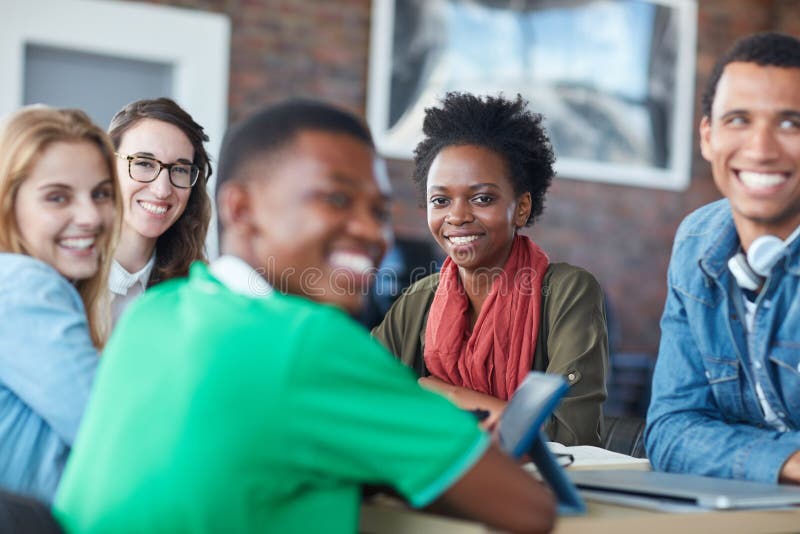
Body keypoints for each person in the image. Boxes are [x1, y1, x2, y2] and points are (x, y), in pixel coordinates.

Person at [54, 100, 556, 533]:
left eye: (379, 210)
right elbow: (529, 509)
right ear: (242, 209)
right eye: (336, 199)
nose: (370, 231)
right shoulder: (310, 342)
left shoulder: (155, 312)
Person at [372, 92, 608, 445]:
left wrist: (437, 392)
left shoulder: (567, 292)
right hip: (431, 486)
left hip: (537, 493)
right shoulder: (418, 300)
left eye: (482, 198)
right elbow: (362, 404)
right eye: (440, 200)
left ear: (522, 208)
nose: (457, 216)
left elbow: (570, 436)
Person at [645, 32, 800, 484]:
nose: (761, 149)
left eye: (791, 123)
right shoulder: (696, 243)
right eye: (738, 120)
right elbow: (671, 430)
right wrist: (787, 463)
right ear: (707, 137)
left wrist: (740, 454)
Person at [0, 106, 121, 502]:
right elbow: (113, 430)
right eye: (57, 197)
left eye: (101, 194)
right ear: (8, 205)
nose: (90, 217)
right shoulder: (24, 286)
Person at [107, 97, 212, 325]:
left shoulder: (197, 293)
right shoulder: (62, 281)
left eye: (180, 169)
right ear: (107, 167)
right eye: (144, 163)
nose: (162, 190)